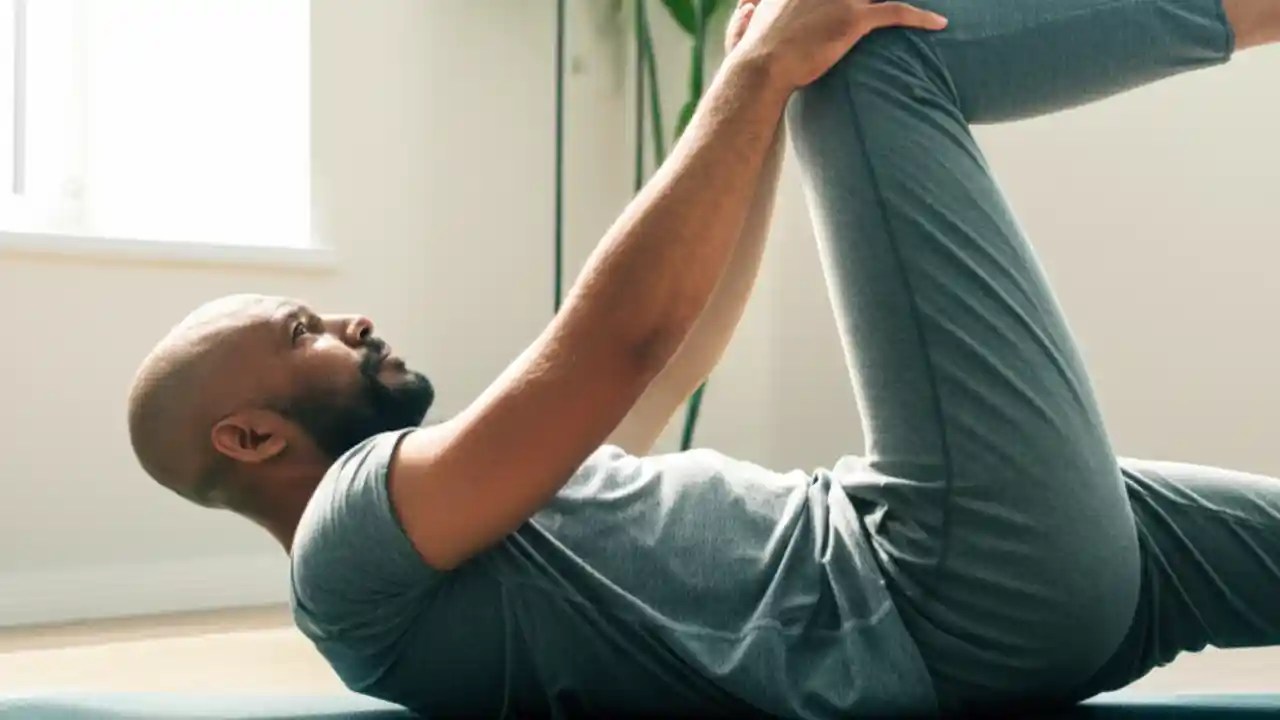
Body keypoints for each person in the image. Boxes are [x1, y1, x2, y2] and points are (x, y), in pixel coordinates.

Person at [126, 0, 1280, 716]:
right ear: (248, 435)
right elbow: (611, 346)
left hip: (966, 573)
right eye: (302, 334)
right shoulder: (347, 549)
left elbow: (669, 358)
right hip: (942, 595)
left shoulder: (466, 520)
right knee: (871, 59)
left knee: (816, 59)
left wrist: (756, 111)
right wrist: (763, 75)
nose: (349, 323)